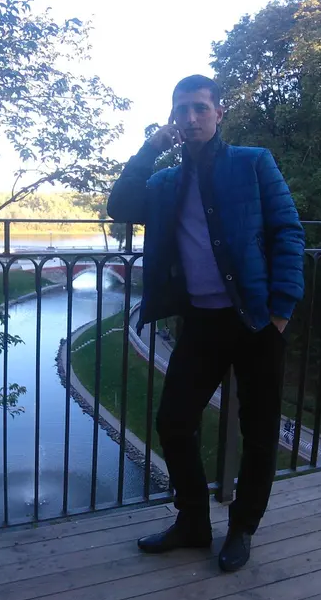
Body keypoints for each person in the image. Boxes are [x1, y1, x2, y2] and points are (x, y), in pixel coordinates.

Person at [107, 75, 305, 573]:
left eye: (200, 108)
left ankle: (242, 528)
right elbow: (120, 206)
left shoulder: (253, 163)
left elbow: (288, 231)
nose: (191, 118)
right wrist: (150, 147)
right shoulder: (165, 183)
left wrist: (281, 309)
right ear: (172, 118)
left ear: (219, 112)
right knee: (173, 421)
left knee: (259, 432)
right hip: (201, 322)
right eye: (182, 110)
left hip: (257, 321)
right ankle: (193, 521)